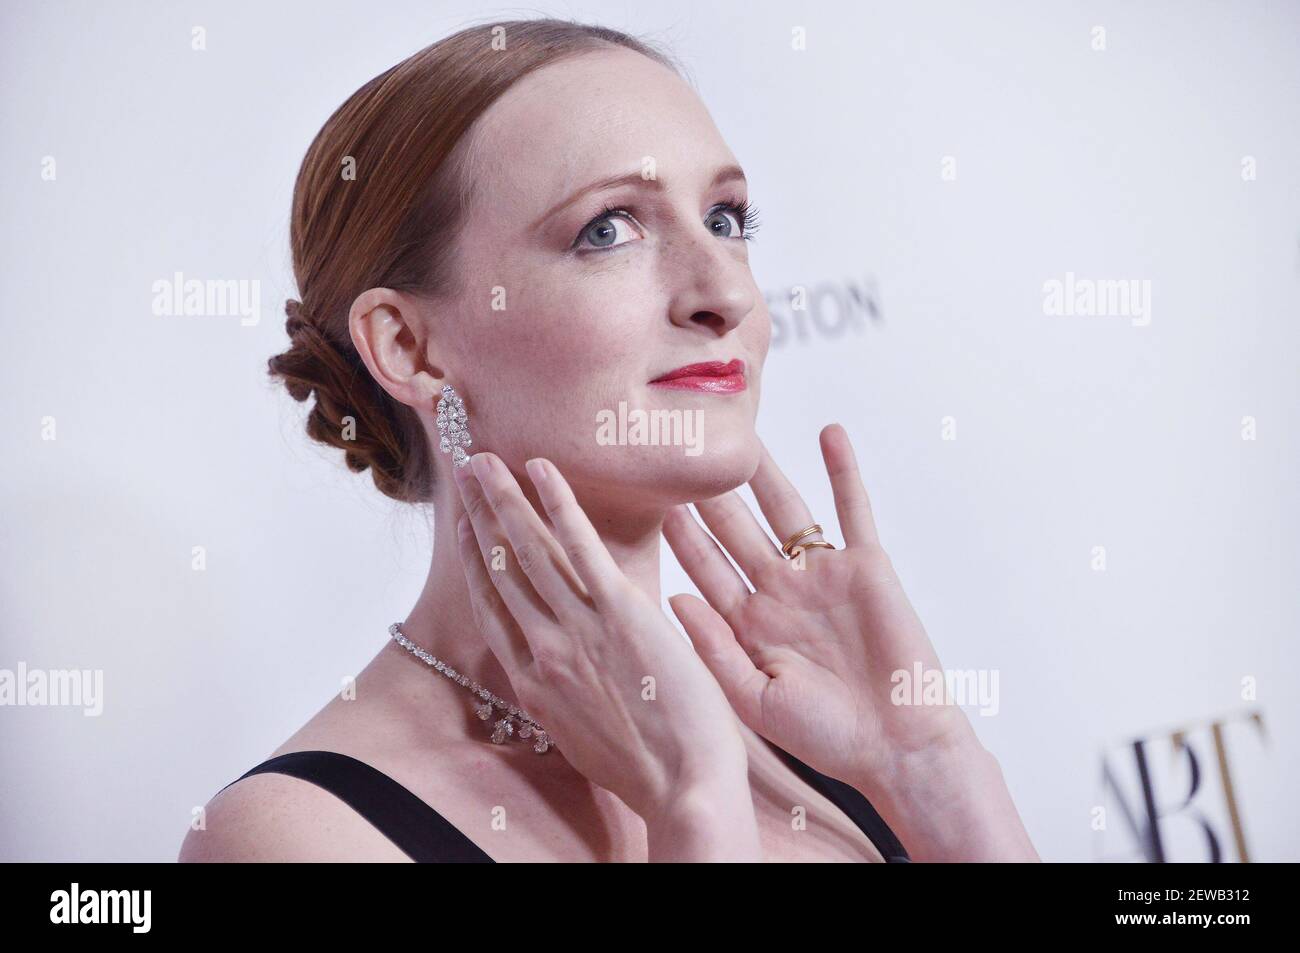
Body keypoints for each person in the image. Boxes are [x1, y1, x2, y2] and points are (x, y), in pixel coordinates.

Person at [179, 17, 1039, 862]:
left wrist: (929, 769)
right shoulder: (297, 836)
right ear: (409, 347)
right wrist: (692, 809)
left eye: (726, 219)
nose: (723, 295)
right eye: (609, 229)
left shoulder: (826, 740)